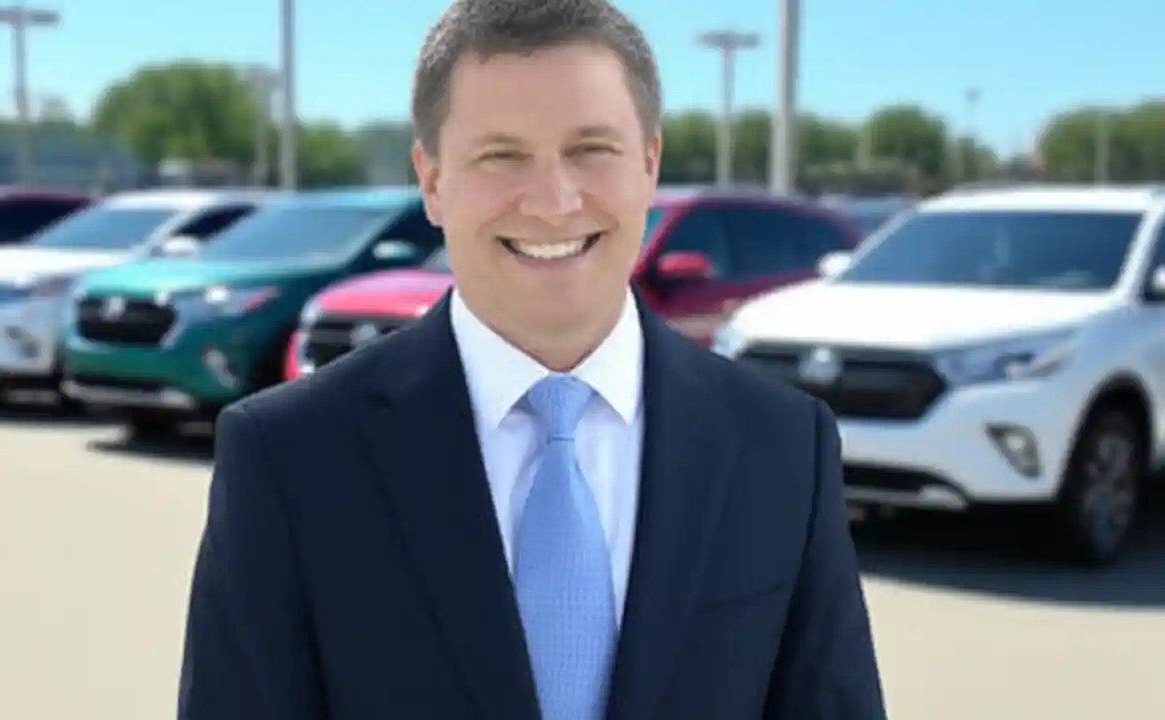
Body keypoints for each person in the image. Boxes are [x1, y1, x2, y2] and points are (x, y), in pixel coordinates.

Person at [177, 0, 887, 718]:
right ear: (431, 182)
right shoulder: (291, 457)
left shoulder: (782, 448)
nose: (553, 201)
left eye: (590, 149)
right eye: (502, 155)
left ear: (648, 165)